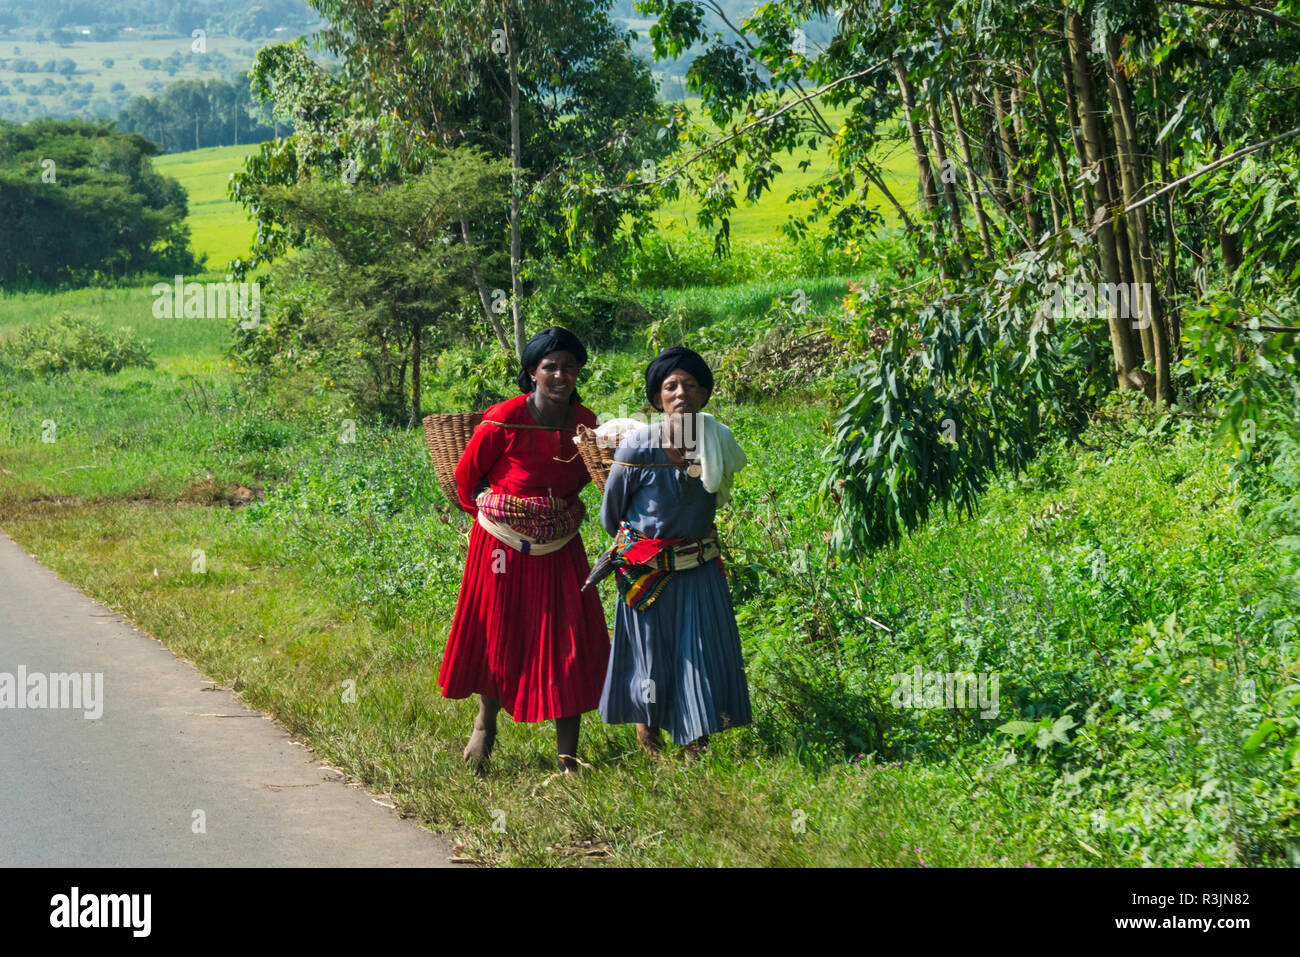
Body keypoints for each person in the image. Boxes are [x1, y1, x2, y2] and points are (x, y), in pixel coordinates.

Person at [439, 327, 610, 773]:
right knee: (499, 631)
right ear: (532, 371)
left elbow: (591, 481)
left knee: (569, 639)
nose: (560, 374)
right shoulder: (504, 417)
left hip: (561, 545)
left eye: (569, 366)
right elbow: (465, 479)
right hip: (500, 544)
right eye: (550, 366)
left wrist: (551, 513)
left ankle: (567, 755)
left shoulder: (587, 423)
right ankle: (485, 723)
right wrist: (501, 513)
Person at [597, 346, 751, 759]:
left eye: (691, 385)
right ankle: (648, 740)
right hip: (647, 573)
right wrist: (647, 550)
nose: (681, 393)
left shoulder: (715, 441)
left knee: (698, 654)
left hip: (699, 567)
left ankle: (694, 746)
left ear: (704, 395)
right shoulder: (636, 450)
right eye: (671, 386)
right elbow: (611, 516)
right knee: (650, 657)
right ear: (656, 399)